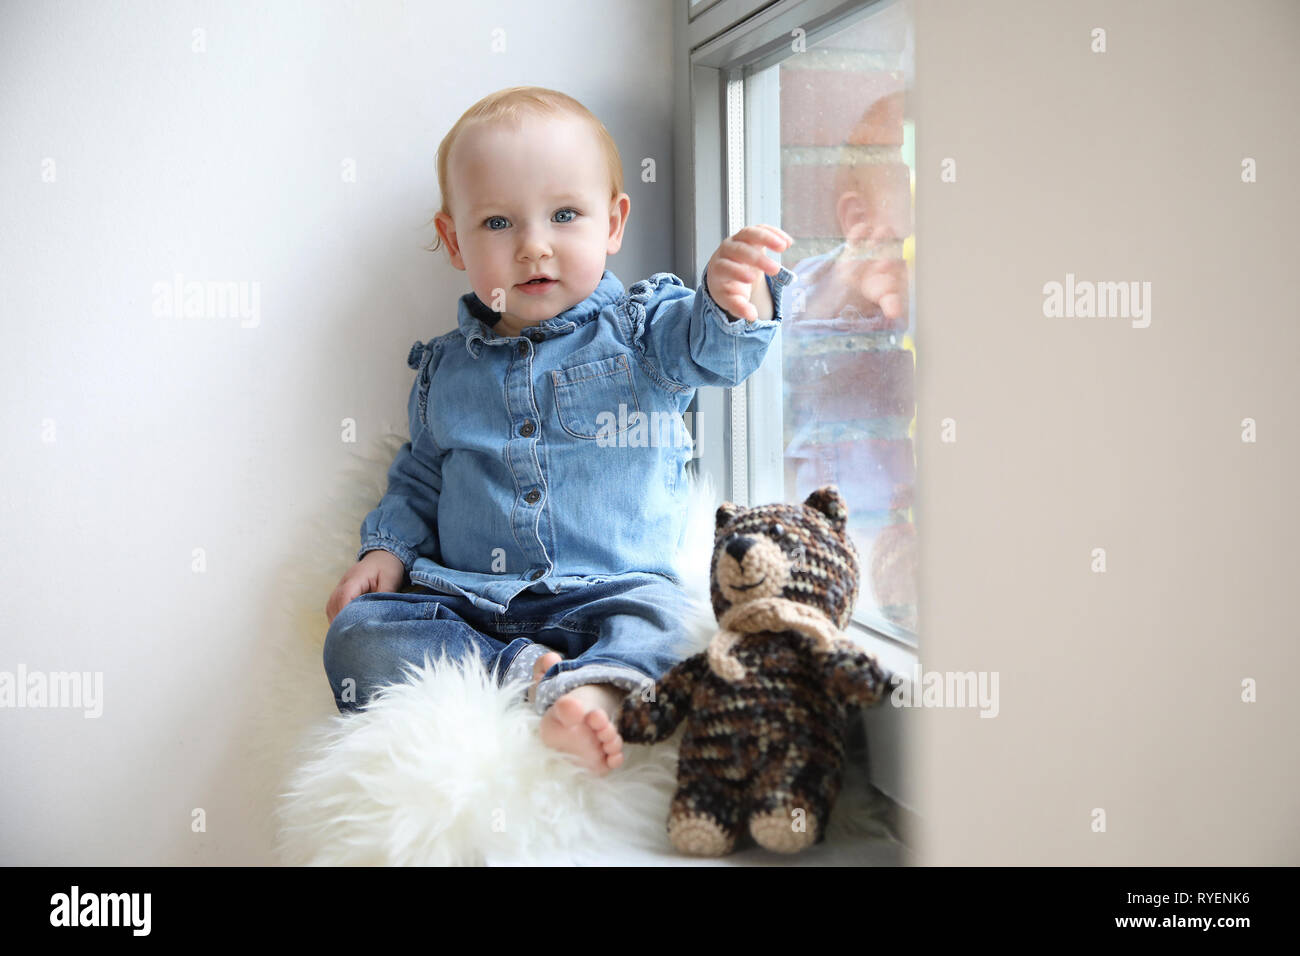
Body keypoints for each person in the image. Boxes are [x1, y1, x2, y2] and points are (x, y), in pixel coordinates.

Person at [323, 85, 795, 775]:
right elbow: (420, 477)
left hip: (617, 591)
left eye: (565, 215)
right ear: (454, 240)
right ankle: (531, 675)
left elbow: (709, 352)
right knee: (356, 639)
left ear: (612, 223)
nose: (534, 247)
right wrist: (384, 552)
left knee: (677, 631)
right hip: (473, 603)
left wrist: (733, 298)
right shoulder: (443, 370)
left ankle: (598, 692)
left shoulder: (641, 330)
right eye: (497, 224)